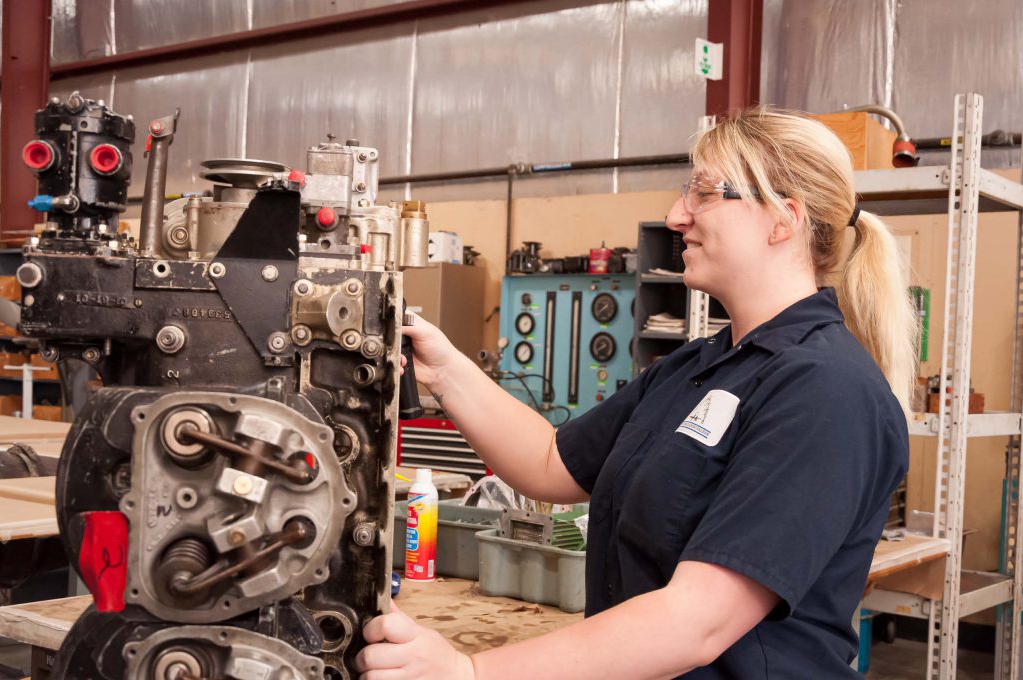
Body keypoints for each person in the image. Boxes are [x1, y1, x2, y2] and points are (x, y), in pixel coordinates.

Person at [355, 107, 916, 679]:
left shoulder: (827, 391)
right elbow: (551, 462)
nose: (676, 216)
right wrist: (443, 368)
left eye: (703, 193)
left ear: (783, 219)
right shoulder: (697, 366)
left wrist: (469, 672)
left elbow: (697, 622)